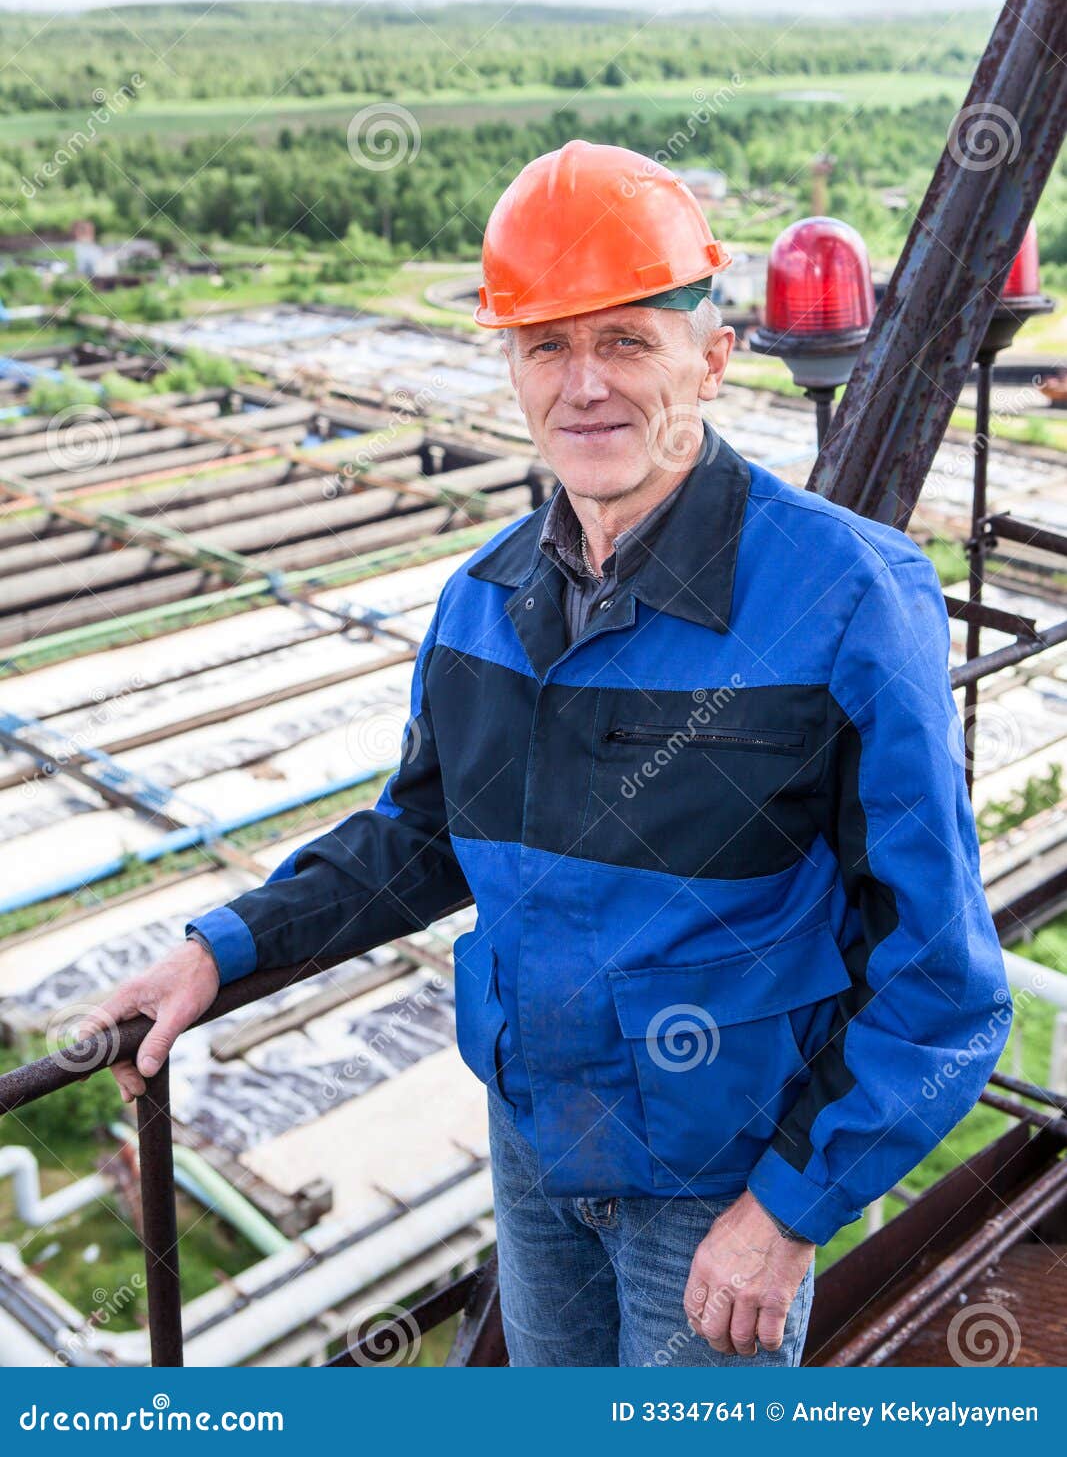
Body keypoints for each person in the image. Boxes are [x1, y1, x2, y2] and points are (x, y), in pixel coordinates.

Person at [86, 140, 1011, 1368]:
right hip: (533, 1150)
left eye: (627, 339)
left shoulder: (845, 599)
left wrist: (788, 1212)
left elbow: (941, 980)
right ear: (510, 370)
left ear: (712, 355)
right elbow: (416, 838)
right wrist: (221, 949)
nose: (586, 385)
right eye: (546, 345)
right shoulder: (485, 598)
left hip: (714, 1180)